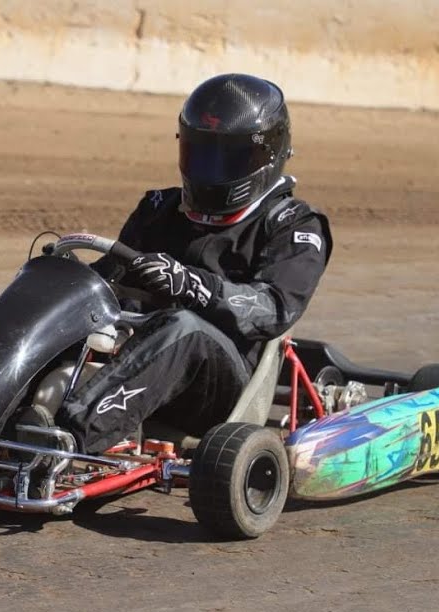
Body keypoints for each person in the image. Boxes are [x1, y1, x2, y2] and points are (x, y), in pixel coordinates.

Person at [55, 73, 334, 453]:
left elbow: (274, 308)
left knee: (184, 327)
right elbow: (106, 281)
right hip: (135, 354)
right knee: (60, 297)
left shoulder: (295, 224)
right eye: (201, 152)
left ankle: (69, 437)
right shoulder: (160, 208)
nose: (211, 170)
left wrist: (193, 285)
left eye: (229, 157)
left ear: (267, 155)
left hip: (222, 389)